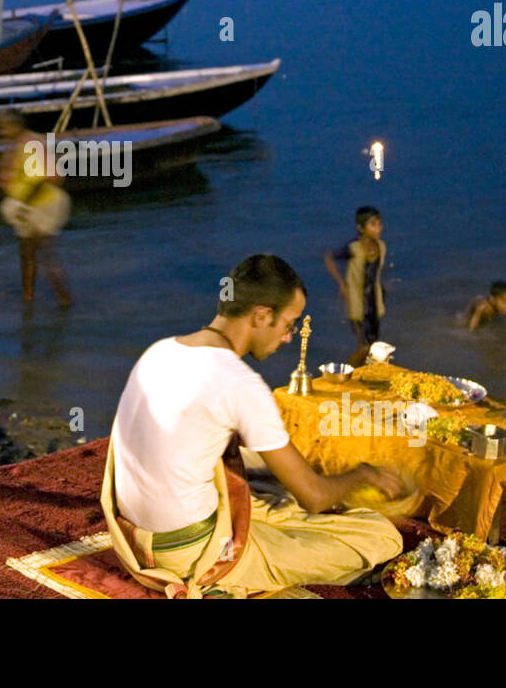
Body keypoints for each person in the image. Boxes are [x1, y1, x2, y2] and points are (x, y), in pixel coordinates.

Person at [101, 254, 404, 599]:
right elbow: (315, 497)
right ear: (261, 315)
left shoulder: (160, 351)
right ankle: (227, 584)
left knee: (275, 496)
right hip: (196, 554)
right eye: (289, 324)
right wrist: (362, 474)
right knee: (380, 536)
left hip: (132, 543)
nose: (290, 337)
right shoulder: (239, 382)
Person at [0, 111, 71, 306]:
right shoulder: (18, 143)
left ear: (16, 125)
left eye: (3, 126)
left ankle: (64, 299)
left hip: (42, 204)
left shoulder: (30, 144)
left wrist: (22, 206)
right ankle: (28, 297)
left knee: (46, 252)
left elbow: (41, 181)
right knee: (26, 252)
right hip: (27, 204)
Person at [323, 206, 386, 350]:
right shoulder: (353, 248)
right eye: (373, 225)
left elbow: (377, 271)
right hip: (358, 302)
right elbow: (329, 257)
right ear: (361, 228)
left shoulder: (381, 247)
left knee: (374, 343)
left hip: (375, 302)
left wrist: (383, 285)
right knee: (363, 345)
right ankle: (353, 368)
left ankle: (367, 369)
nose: (379, 228)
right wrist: (341, 282)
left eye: (380, 224)